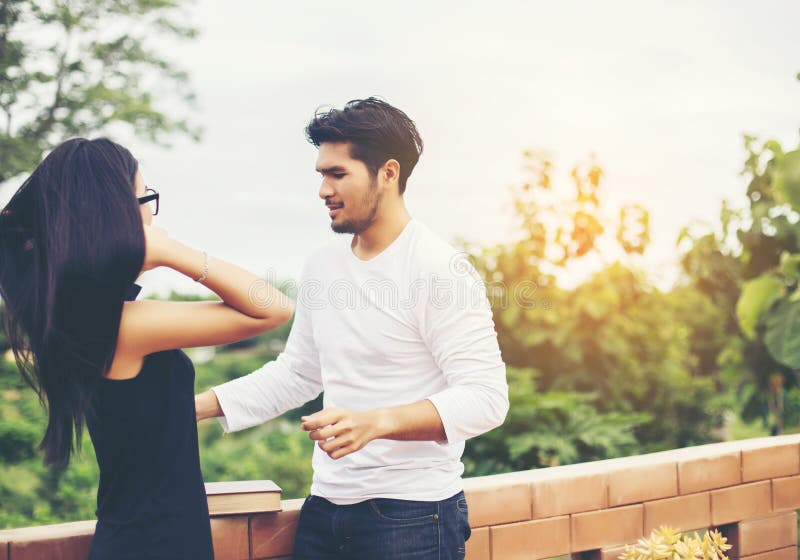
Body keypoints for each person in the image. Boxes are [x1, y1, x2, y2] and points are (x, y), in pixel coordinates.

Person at [195, 98, 509, 559]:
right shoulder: (323, 266)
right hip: (326, 508)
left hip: (414, 518)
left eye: (337, 174)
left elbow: (486, 398)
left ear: (388, 173)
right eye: (321, 174)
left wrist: (378, 422)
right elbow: (297, 373)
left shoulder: (440, 270)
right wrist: (190, 408)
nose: (323, 189)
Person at [0, 138, 293, 559]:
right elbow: (272, 308)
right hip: (157, 544)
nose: (151, 214)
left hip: (140, 539)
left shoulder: (81, 320)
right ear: (117, 213)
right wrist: (173, 252)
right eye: (145, 198)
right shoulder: (123, 325)